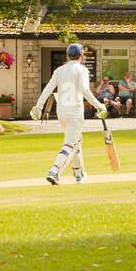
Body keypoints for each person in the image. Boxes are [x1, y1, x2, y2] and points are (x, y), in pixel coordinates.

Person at [31, 44, 106, 185]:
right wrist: (99, 106)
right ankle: (54, 171)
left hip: (61, 111)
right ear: (81, 55)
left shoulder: (59, 70)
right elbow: (85, 90)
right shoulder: (82, 70)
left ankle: (79, 174)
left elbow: (48, 89)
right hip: (75, 112)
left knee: (76, 141)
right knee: (70, 144)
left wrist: (39, 106)